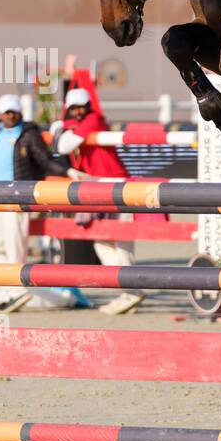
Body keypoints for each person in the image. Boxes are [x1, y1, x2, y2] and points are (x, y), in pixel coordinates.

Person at [0, 95, 89, 312]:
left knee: (15, 247)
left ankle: (16, 291)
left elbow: (43, 160)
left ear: (20, 113)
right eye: (7, 112)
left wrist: (66, 171)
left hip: (16, 198)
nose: (10, 115)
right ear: (0, 114)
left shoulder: (28, 133)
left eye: (13, 111)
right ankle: (8, 287)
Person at [51, 89, 145, 314]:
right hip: (102, 187)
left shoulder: (94, 119)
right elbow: (60, 146)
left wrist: (59, 129)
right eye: (74, 108)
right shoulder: (80, 123)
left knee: (120, 242)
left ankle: (132, 292)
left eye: (81, 106)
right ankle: (129, 291)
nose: (78, 111)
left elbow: (62, 146)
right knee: (102, 241)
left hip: (118, 187)